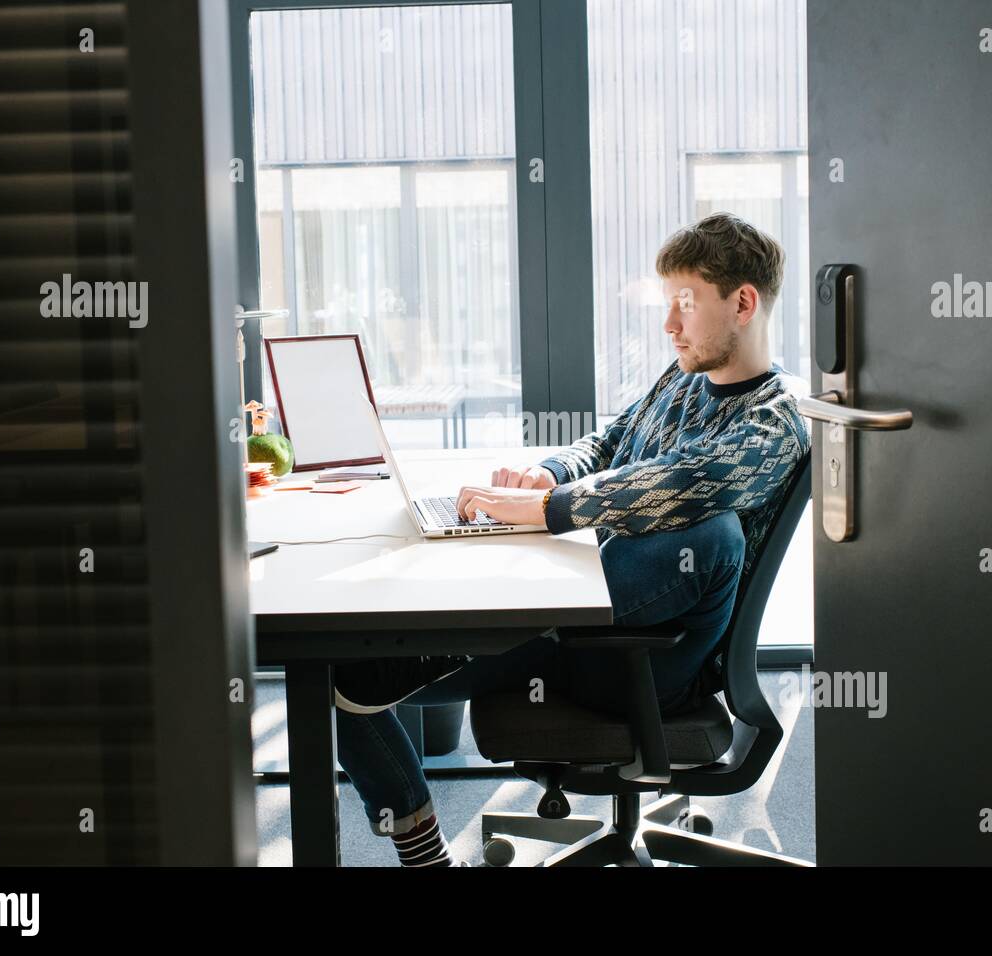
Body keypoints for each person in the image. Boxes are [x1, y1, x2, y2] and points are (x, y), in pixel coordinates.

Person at [332, 212, 810, 866]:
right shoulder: (685, 374)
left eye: (684, 304)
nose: (669, 324)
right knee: (338, 676)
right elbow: (611, 442)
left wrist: (545, 508)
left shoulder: (772, 427)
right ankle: (428, 850)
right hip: (589, 605)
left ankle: (463, 637)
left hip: (651, 656)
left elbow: (673, 484)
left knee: (712, 533)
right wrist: (550, 474)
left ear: (743, 303)